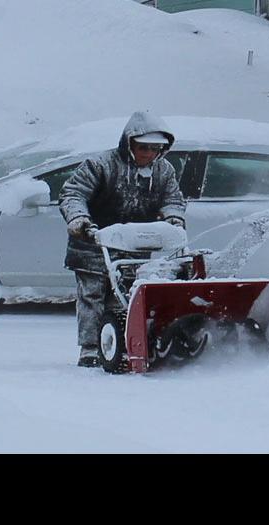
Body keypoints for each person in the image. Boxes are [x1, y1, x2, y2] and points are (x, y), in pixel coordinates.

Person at [59, 111, 186, 368]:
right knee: (92, 296)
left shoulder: (164, 171)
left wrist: (173, 218)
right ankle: (91, 348)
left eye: (156, 149)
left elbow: (173, 199)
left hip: (134, 246)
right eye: (143, 148)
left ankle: (123, 342)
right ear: (129, 143)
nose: (149, 154)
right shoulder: (100, 165)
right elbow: (73, 193)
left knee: (124, 296)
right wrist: (79, 219)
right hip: (93, 243)